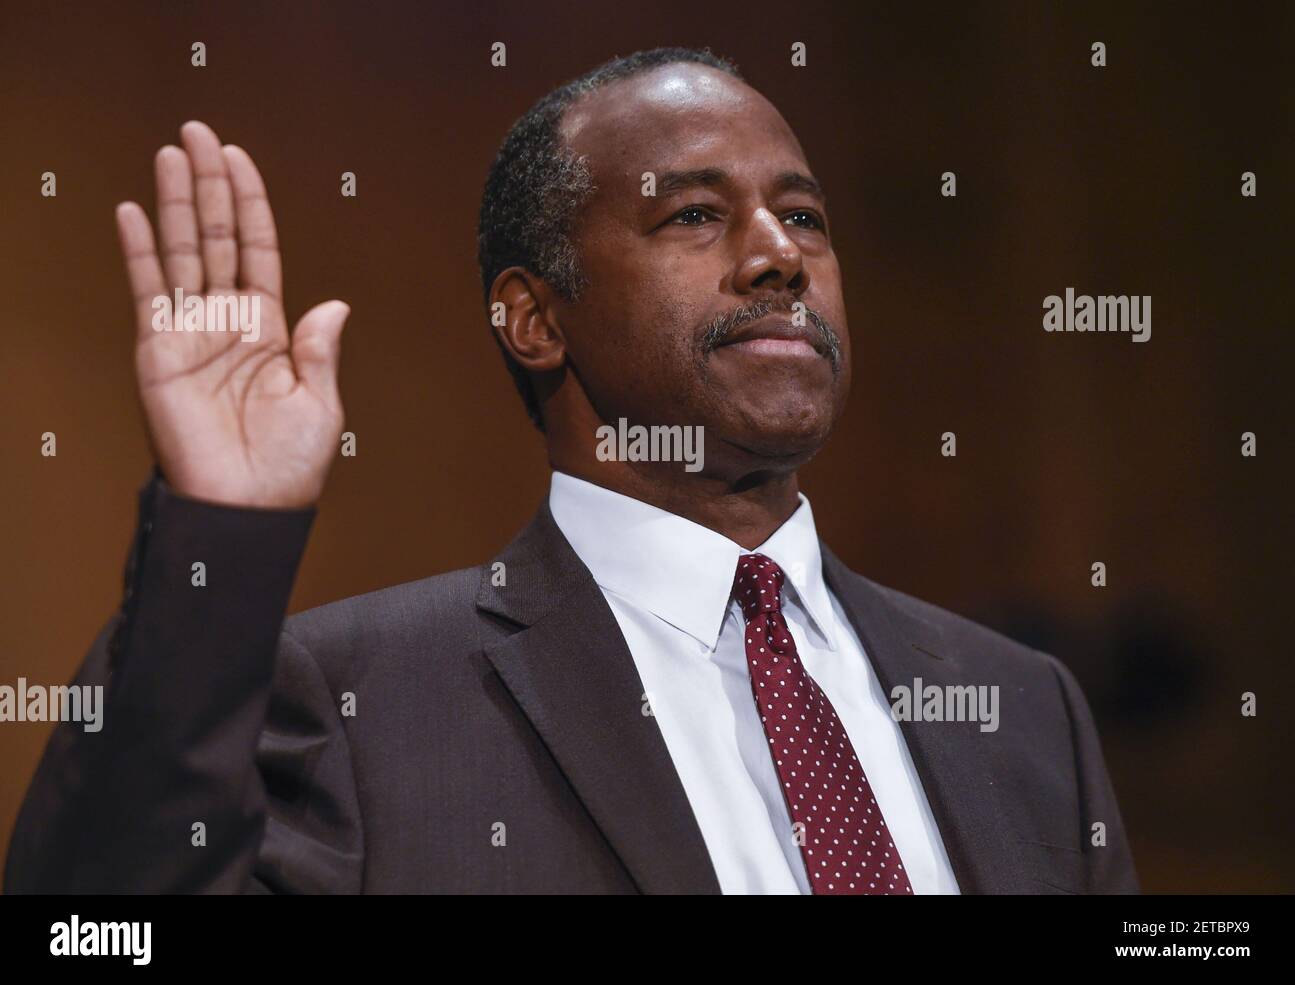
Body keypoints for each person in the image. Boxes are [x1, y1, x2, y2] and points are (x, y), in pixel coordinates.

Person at [4, 47, 1138, 894]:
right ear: (534, 318)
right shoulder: (356, 701)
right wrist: (216, 530)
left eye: (804, 217)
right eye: (697, 214)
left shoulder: (1025, 708)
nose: (780, 256)